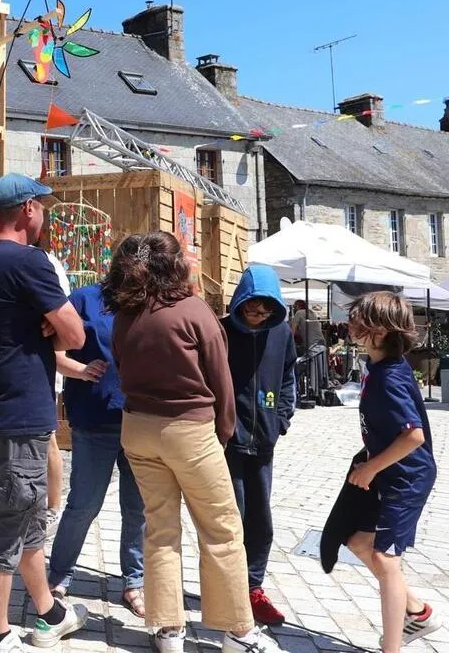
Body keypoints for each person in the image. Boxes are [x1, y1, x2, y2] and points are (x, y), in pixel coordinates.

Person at [107, 231, 283, 653]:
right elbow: (221, 380)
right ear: (175, 266)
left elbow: (120, 365)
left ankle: (168, 630)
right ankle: (237, 631)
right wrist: (222, 432)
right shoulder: (193, 310)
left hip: (137, 428)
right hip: (188, 430)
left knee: (160, 529)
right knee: (222, 530)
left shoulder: (125, 316)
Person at [0, 173, 88, 652]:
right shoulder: (30, 261)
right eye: (43, 206)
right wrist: (49, 325)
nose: (45, 214)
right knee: (5, 525)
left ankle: (51, 613)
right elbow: (75, 335)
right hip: (16, 416)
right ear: (28, 208)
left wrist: (39, 324)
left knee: (28, 518)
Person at [344, 292, 439, 653]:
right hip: (389, 474)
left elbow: (414, 436)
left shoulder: (390, 378)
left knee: (385, 559)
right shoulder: (380, 368)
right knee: (359, 543)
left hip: (406, 479)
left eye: (357, 320)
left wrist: (371, 467)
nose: (349, 324)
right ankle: (418, 612)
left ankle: (393, 648)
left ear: (380, 331)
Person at [48, 276, 147, 617]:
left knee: (137, 508)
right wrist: (81, 370)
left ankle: (134, 582)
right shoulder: (83, 300)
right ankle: (59, 576)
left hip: (141, 421)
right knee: (83, 505)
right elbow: (52, 353)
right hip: (94, 420)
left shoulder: (149, 301)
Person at [222, 266, 297, 626]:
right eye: (252, 307)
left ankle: (253, 588)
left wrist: (281, 419)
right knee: (229, 520)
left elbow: (288, 377)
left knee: (260, 521)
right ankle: (226, 589)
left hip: (264, 443)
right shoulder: (222, 331)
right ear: (241, 301)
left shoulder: (281, 332)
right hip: (227, 443)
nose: (258, 314)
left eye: (266, 308)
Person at [42, 250, 70, 536]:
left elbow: (62, 310)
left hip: (44, 365)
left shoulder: (46, 262)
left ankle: (53, 507)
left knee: (47, 437)